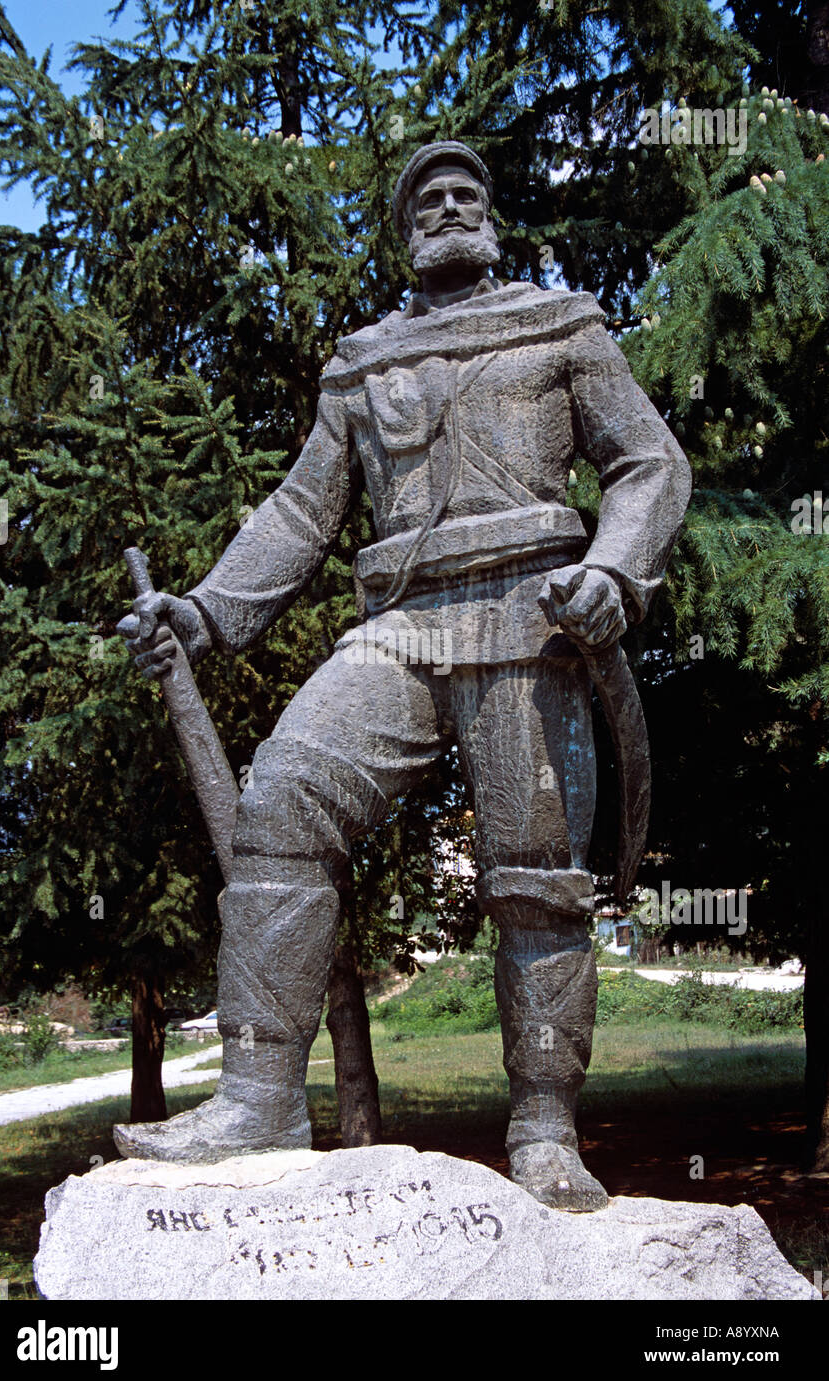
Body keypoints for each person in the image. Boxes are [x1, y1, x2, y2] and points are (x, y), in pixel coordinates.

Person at [115, 141, 691, 1211]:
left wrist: (615, 569)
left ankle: (545, 1127)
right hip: (400, 623)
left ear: (493, 219)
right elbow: (298, 512)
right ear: (404, 229)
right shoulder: (362, 360)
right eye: (426, 196)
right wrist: (201, 612)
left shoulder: (561, 323)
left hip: (535, 619)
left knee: (535, 876)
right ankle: (259, 1094)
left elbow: (648, 464)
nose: (449, 203)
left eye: (467, 191)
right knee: (280, 800)